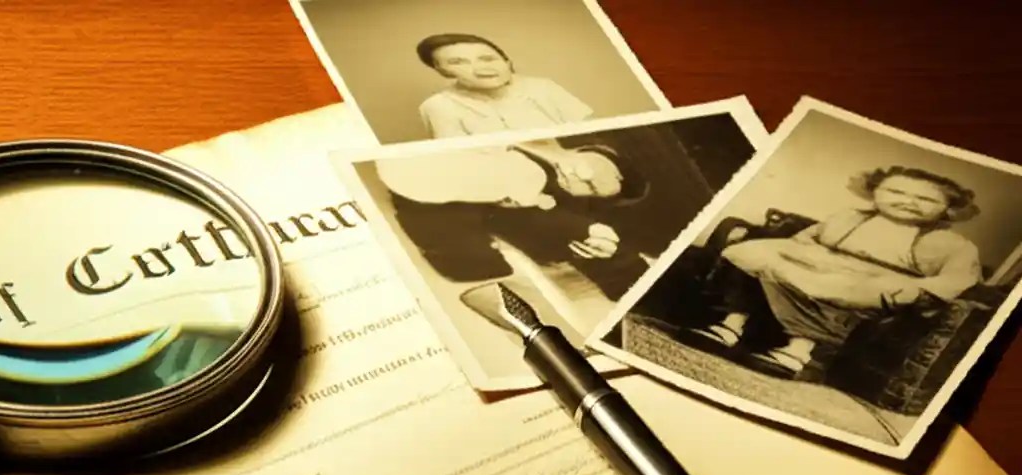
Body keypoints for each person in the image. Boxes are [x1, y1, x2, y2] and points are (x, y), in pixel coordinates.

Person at [687, 166, 982, 378]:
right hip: (819, 261)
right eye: (896, 191)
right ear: (873, 192)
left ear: (948, 209)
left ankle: (800, 349)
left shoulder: (953, 244)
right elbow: (808, 239)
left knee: (849, 292)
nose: (908, 202)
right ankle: (732, 324)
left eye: (926, 199)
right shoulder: (849, 217)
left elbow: (958, 279)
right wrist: (790, 251)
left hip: (872, 281)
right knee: (756, 255)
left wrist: (921, 291)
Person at [375, 140, 651, 300]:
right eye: (588, 168)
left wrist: (594, 234)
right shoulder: (526, 153)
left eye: (591, 188)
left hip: (453, 261)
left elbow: (547, 223)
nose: (582, 177)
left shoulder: (544, 195)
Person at [415, 33, 596, 138]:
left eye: (488, 58)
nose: (481, 69)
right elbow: (461, 160)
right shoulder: (438, 107)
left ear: (507, 62)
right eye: (458, 62)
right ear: (442, 71)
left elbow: (592, 136)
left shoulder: (544, 88)